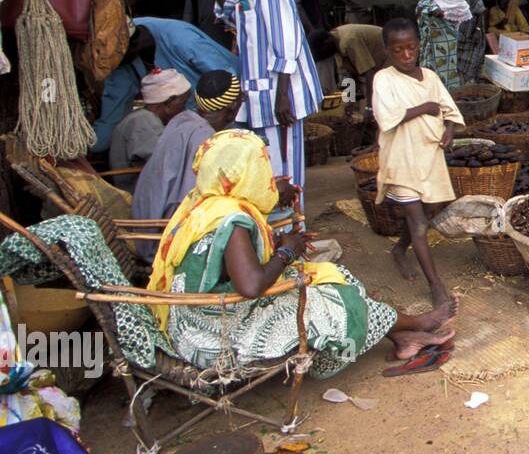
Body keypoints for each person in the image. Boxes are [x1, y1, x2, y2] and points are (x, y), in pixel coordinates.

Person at [149, 128, 454, 378]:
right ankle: (412, 326)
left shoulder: (205, 202)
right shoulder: (233, 221)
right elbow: (251, 286)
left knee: (337, 277)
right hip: (219, 333)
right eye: (261, 165)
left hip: (199, 314)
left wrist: (281, 243)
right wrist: (286, 251)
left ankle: (405, 334)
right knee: (334, 304)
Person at [208, 0, 323, 213]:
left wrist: (282, 94)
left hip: (277, 93)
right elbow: (241, 22)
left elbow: (287, 39)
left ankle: (293, 227)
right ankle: (279, 226)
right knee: (270, 163)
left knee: (285, 164)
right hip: (262, 91)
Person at [371, 18, 464, 344]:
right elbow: (387, 117)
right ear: (388, 50)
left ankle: (399, 249)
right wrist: (424, 106)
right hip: (401, 159)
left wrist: (449, 129)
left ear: (419, 44)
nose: (406, 54)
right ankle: (435, 284)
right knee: (418, 221)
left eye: (411, 47)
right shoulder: (384, 79)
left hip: (428, 156)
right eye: (398, 49)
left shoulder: (432, 77)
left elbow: (448, 110)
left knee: (428, 210)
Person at [131, 70, 244, 259]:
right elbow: (192, 203)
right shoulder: (204, 138)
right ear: (233, 107)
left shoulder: (182, 120)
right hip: (162, 241)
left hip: (147, 230)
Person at [92, 17, 239, 153]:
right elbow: (112, 117)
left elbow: (229, 80)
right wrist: (85, 149)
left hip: (231, 113)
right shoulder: (119, 64)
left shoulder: (181, 39)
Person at [108, 69, 191, 191]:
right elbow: (170, 162)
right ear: (169, 102)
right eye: (182, 103)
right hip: (138, 194)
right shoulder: (143, 121)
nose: (184, 110)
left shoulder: (143, 118)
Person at [415, 0, 470, 91]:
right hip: (428, 41)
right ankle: (431, 93)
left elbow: (464, 9)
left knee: (445, 68)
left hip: (444, 40)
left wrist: (443, 13)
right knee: (428, 68)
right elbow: (420, 11)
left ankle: (448, 95)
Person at [308, 24, 386, 100]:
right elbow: (349, 74)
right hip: (380, 63)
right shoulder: (336, 39)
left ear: (328, 43)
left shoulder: (348, 42)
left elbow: (369, 72)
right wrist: (349, 101)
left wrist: (369, 106)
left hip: (390, 56)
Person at [449, 0, 487, 83]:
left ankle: (470, 85)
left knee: (471, 64)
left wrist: (478, 29)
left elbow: (480, 10)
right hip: (456, 34)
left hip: (471, 33)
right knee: (457, 64)